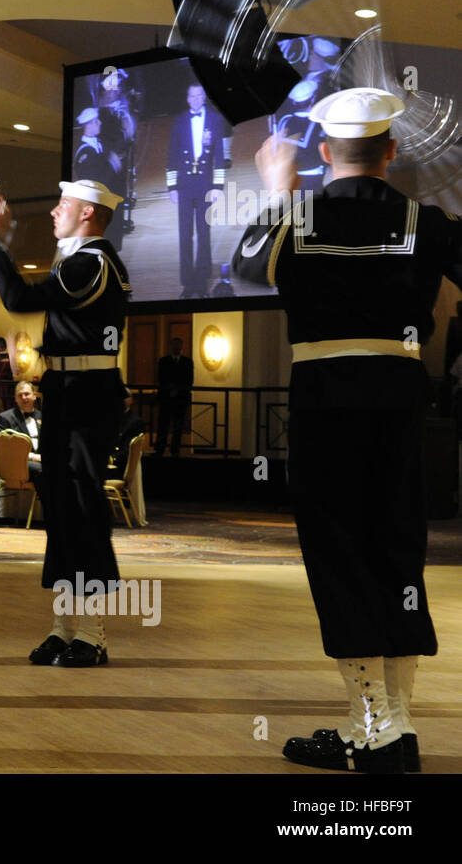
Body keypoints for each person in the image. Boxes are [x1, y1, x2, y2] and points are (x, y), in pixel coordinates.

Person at [232, 87, 447, 774]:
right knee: (397, 549)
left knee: (340, 554)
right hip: (403, 399)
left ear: (324, 153)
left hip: (325, 401)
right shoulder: (428, 220)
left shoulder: (293, 219)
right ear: (390, 150)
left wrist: (276, 190)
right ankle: (390, 724)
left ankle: (375, 730)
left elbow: (243, 268)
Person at [0, 179, 130, 668]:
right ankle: (64, 629)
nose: (53, 211)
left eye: (63, 203)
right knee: (63, 512)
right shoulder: (79, 262)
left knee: (83, 508)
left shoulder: (94, 263)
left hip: (88, 397)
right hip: (68, 394)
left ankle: (93, 633)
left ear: (88, 213)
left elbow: (20, 299)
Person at [166, 83, 229, 298]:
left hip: (204, 185)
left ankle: (201, 281)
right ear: (187, 98)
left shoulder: (214, 119)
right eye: (191, 96)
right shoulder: (179, 121)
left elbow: (219, 155)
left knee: (204, 232)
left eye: (198, 96)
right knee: (185, 235)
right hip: (184, 186)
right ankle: (187, 283)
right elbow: (172, 155)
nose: (195, 99)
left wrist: (218, 186)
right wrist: (172, 187)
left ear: (204, 97)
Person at [0, 380, 43, 489]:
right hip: (18, 464)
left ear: (34, 396)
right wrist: (32, 456)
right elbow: (3, 447)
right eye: (20, 395)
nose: (24, 397)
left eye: (27, 394)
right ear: (16, 399)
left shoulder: (42, 416)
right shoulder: (6, 418)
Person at [154, 338, 194, 456]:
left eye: (178, 345)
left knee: (178, 425)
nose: (176, 347)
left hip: (180, 398)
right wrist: (170, 389)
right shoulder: (164, 361)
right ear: (171, 346)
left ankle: (175, 449)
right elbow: (161, 378)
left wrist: (177, 390)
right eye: (174, 345)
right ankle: (160, 448)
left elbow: (189, 380)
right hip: (166, 397)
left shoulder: (187, 362)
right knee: (163, 424)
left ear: (181, 347)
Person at [108, 388, 146, 478]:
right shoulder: (109, 419)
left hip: (120, 467)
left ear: (130, 400)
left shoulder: (135, 422)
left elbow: (128, 452)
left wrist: (109, 459)